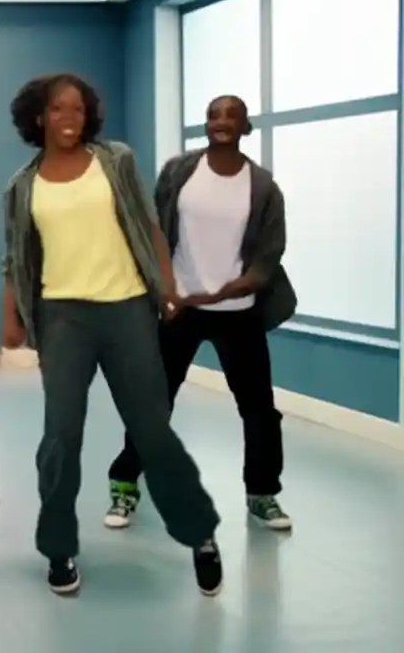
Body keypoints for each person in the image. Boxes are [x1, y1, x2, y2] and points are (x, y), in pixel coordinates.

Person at [1, 74, 223, 597]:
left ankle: (199, 534)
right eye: (58, 109)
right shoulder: (21, 186)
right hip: (62, 317)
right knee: (61, 436)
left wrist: (166, 285)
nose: (69, 118)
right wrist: (11, 318)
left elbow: (148, 226)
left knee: (151, 430)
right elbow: (16, 257)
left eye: (78, 108)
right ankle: (58, 547)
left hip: (126, 310)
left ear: (89, 114)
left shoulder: (115, 161)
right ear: (39, 117)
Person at [105, 95, 295, 531]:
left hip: (239, 311)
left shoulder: (263, 186)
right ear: (205, 124)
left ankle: (262, 494)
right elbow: (155, 231)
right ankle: (124, 486)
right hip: (179, 309)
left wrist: (243, 284)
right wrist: (164, 290)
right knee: (153, 403)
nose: (221, 121)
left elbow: (270, 251)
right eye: (213, 114)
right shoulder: (179, 172)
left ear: (245, 126)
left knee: (259, 409)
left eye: (231, 115)